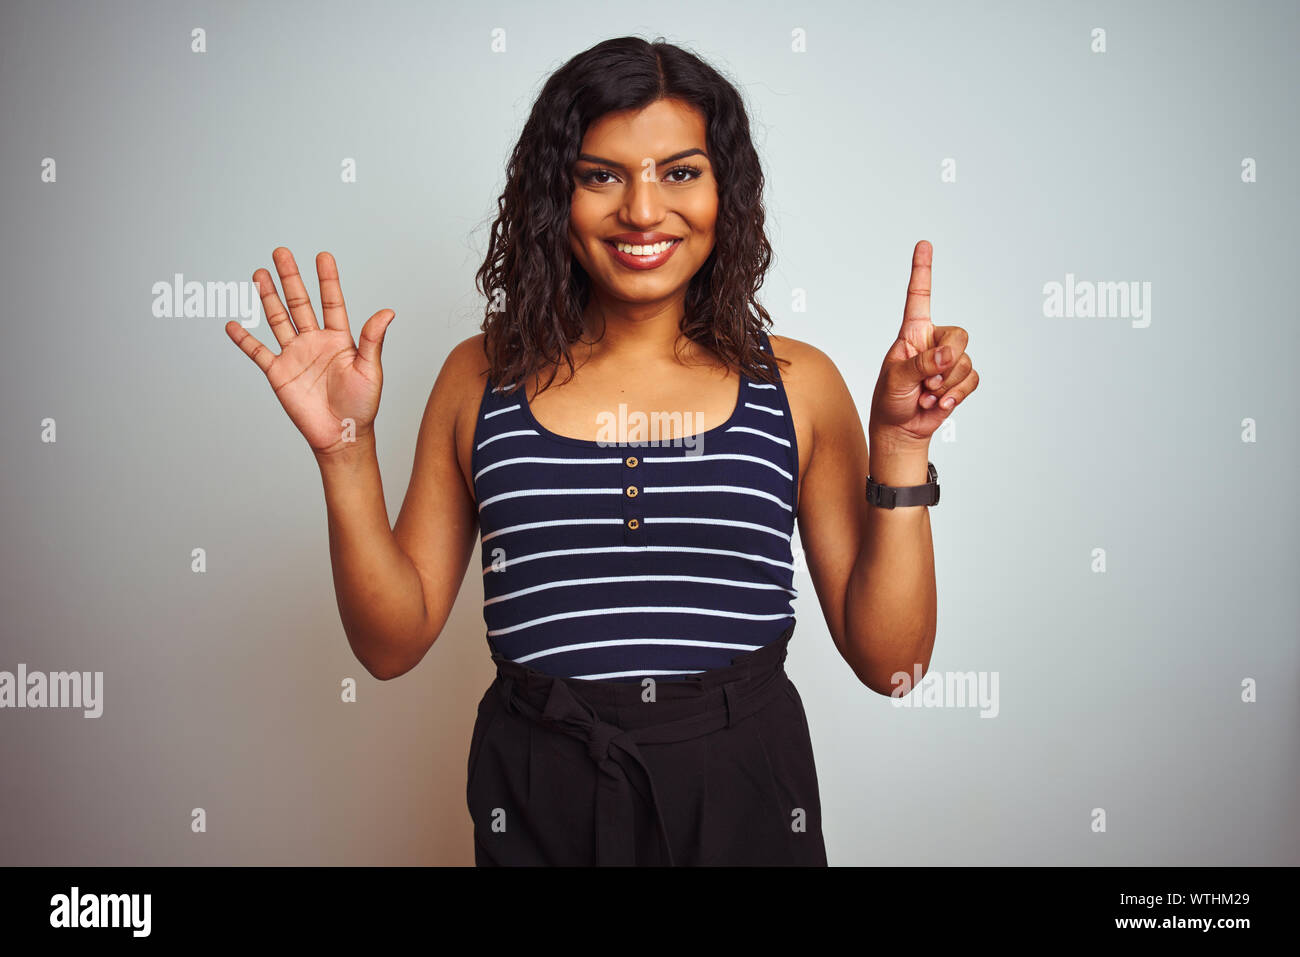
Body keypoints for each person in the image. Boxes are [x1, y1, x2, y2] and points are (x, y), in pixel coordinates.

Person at [225, 36, 979, 866]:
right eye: (602, 175)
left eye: (681, 172)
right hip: (538, 792)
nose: (644, 211)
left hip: (743, 789)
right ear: (557, 192)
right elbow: (390, 644)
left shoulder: (795, 385)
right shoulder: (481, 377)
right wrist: (344, 449)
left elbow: (892, 661)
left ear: (727, 190)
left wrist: (903, 446)